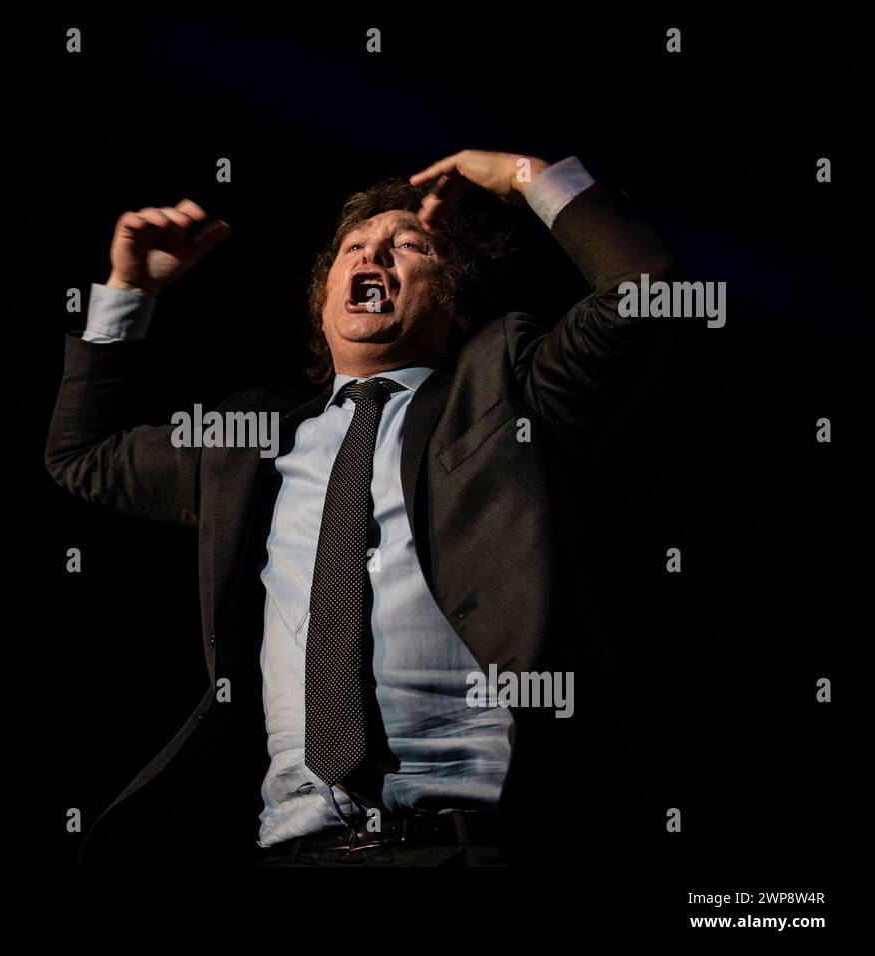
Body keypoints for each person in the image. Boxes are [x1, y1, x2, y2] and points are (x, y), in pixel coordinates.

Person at [45, 150, 676, 866]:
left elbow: (645, 291)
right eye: (354, 249)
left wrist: (531, 177)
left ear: (456, 299)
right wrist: (129, 289)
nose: (373, 253)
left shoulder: (506, 393)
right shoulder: (249, 444)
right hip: (294, 853)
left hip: (475, 850)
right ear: (324, 301)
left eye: (408, 245)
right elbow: (82, 456)